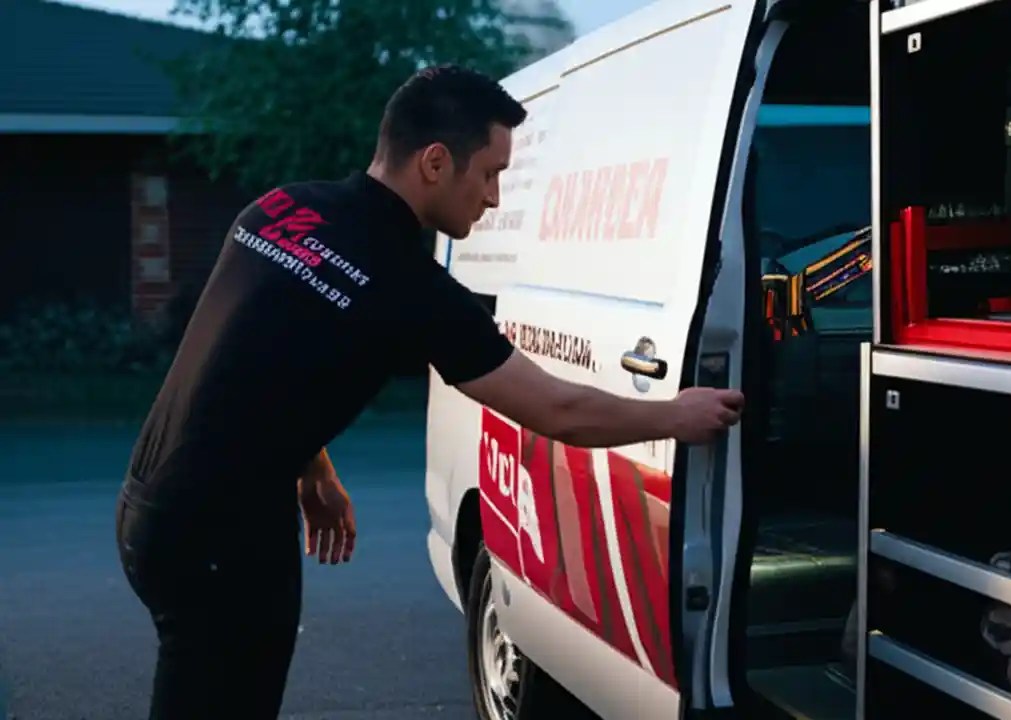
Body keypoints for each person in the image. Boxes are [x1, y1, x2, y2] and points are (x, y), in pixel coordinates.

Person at [115, 64, 745, 720]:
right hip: (224, 543)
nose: (495, 197)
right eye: (491, 172)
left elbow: (257, 354)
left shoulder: (281, 209)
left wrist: (314, 469)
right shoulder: (413, 290)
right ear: (437, 163)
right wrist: (675, 414)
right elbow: (558, 409)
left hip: (149, 509)